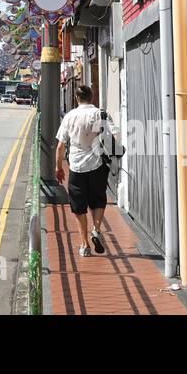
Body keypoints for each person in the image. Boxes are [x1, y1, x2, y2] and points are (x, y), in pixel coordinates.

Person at [55, 84, 118, 258]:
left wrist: (58, 167)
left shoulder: (70, 116)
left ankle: (84, 245)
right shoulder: (101, 114)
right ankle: (96, 230)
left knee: (79, 206)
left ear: (77, 98)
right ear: (92, 97)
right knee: (98, 199)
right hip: (97, 164)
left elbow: (60, 146)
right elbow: (114, 138)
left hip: (76, 166)